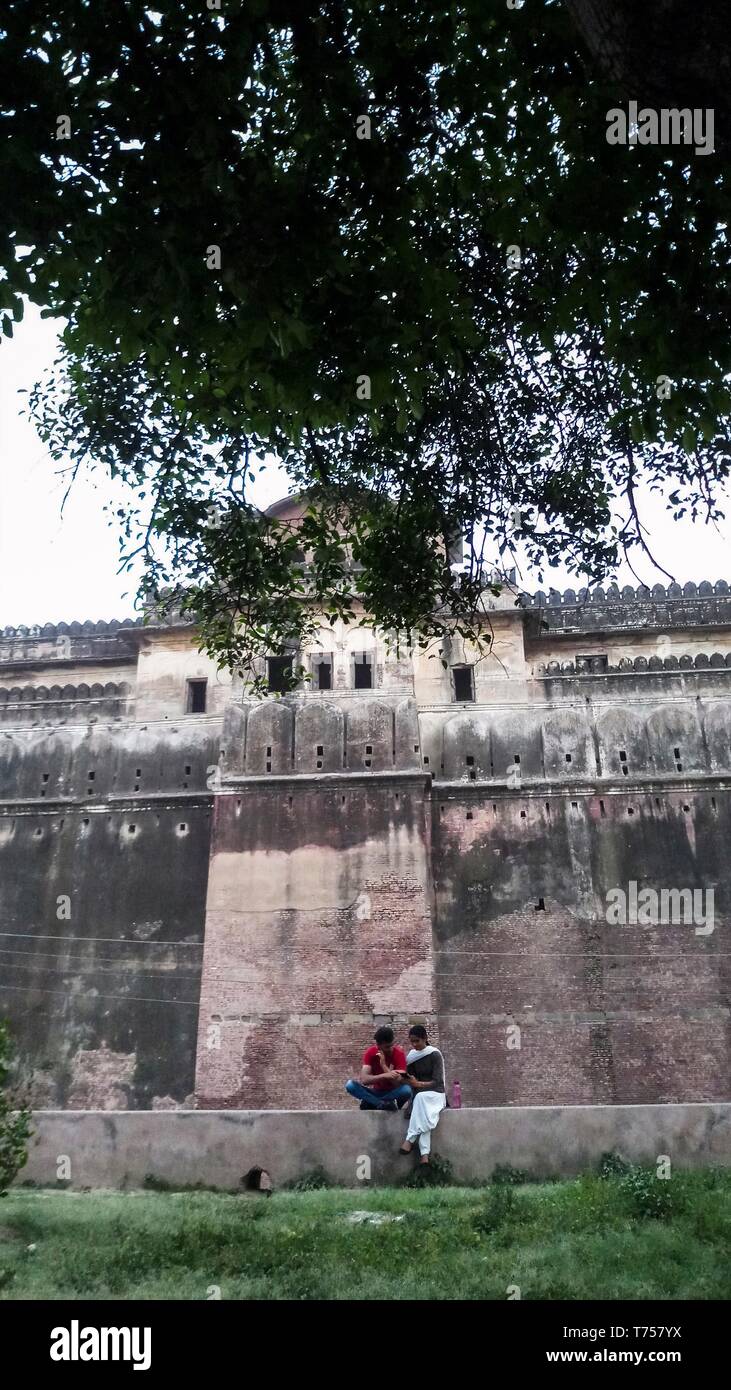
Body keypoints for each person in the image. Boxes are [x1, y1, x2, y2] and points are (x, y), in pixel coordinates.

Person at [398, 1025, 447, 1163]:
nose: (414, 1045)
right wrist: (406, 1079)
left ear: (425, 1038)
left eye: (417, 1041)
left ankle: (410, 1139)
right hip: (420, 1097)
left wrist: (419, 1084)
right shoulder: (412, 1056)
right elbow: (409, 1078)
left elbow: (438, 1082)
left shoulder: (435, 1054)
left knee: (420, 1099)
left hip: (436, 1094)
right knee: (424, 1112)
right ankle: (424, 1155)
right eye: (412, 1041)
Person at [345, 1025, 413, 1111]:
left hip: (392, 1093)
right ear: (378, 1046)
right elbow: (364, 1080)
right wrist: (385, 1075)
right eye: (387, 1047)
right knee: (350, 1085)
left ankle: (374, 1103)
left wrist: (384, 1066)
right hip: (375, 1093)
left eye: (391, 1045)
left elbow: (398, 1082)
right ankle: (380, 1104)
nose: (390, 1049)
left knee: (407, 1090)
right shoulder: (370, 1053)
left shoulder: (399, 1054)